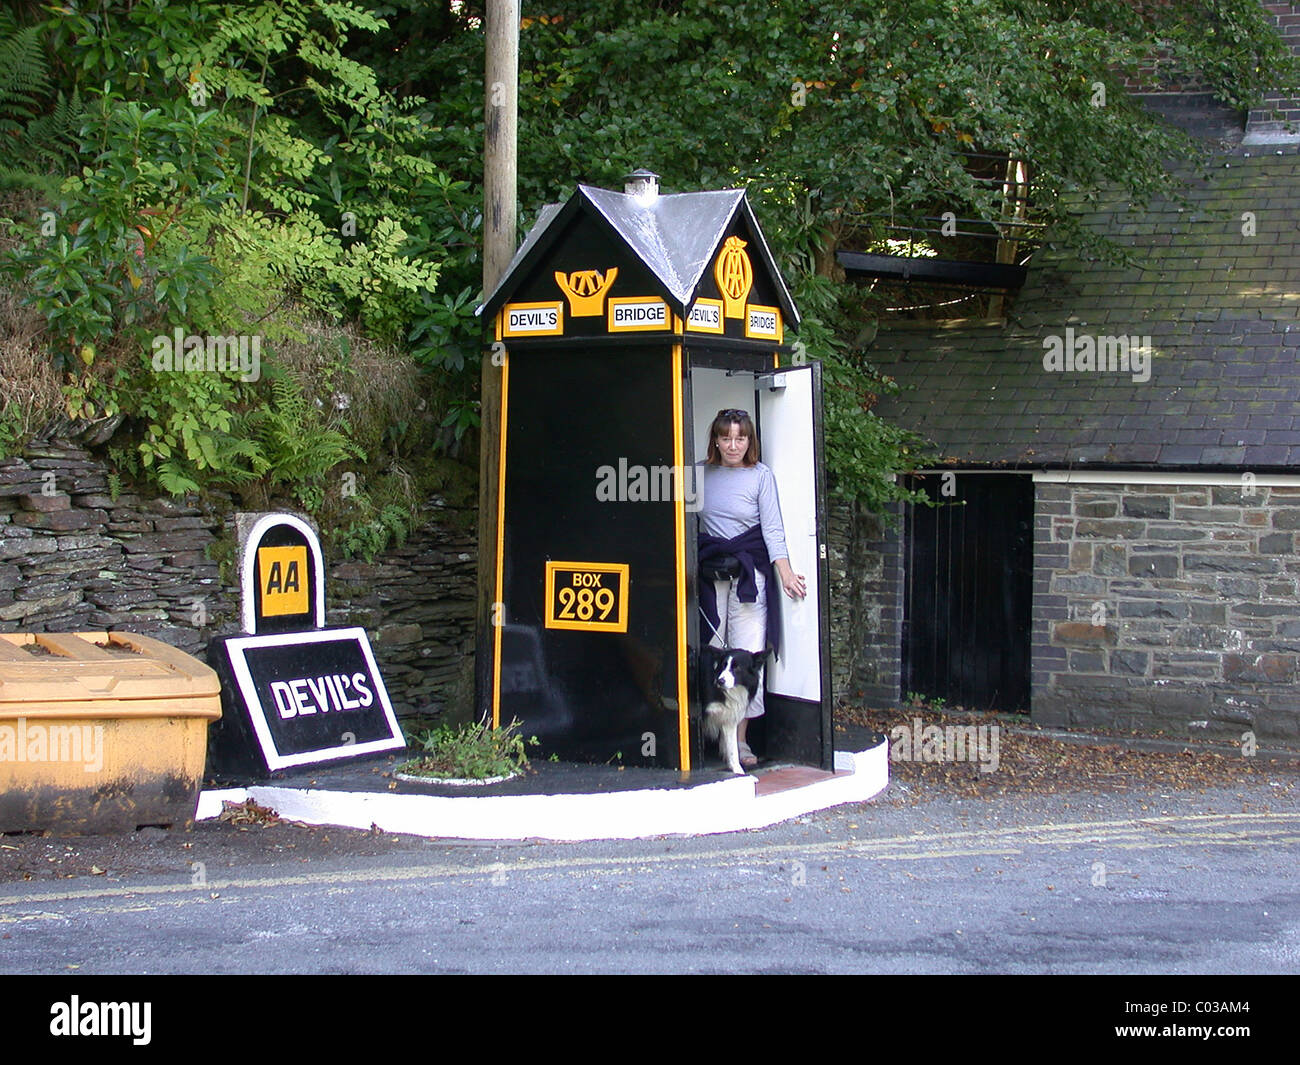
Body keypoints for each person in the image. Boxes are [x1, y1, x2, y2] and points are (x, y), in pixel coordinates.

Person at [697, 407, 806, 768]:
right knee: (710, 654)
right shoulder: (698, 474)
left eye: (740, 437)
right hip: (710, 572)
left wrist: (786, 573)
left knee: (745, 657)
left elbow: (772, 530)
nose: (733, 444)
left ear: (749, 440)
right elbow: (680, 524)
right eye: (726, 437)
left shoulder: (760, 477)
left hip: (748, 575)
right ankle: (707, 736)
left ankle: (740, 741)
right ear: (715, 438)